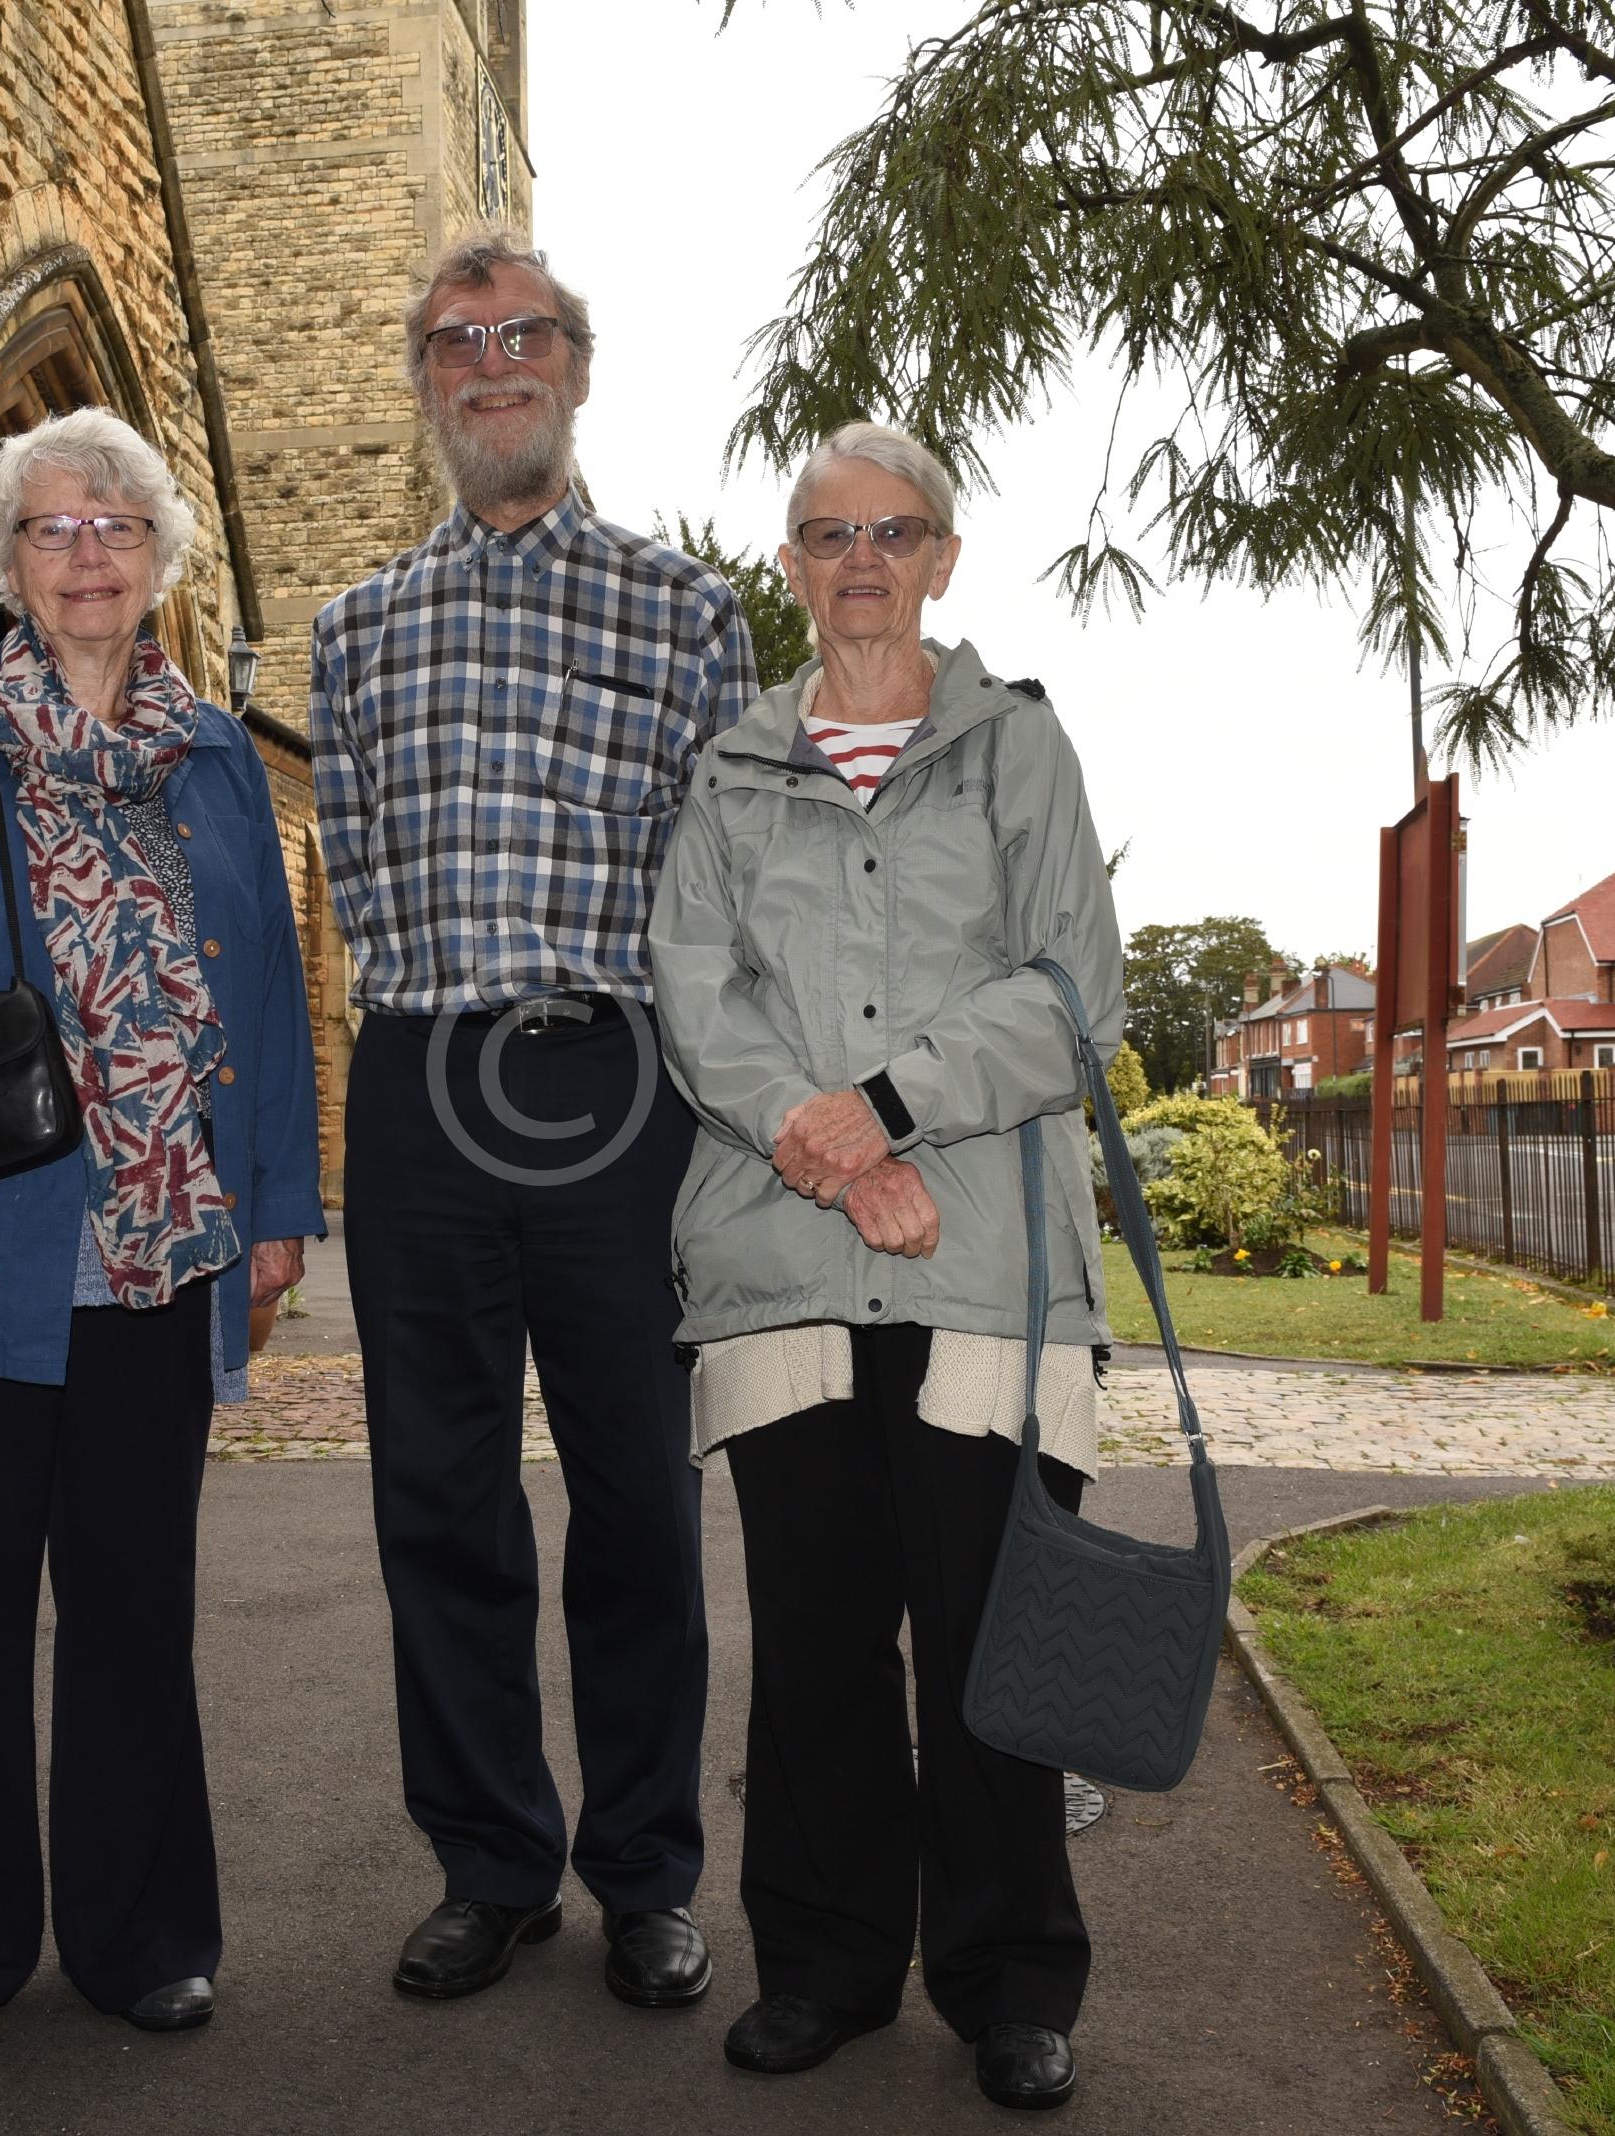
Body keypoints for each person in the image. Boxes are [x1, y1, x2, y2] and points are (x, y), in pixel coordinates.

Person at [0, 407, 323, 2058]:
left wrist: (281, 1202)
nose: (86, 554)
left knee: (134, 1605)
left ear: (160, 559)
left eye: (115, 527)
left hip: (164, 1252)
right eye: (50, 529)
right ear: (5, 566)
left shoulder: (217, 753)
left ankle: (141, 1931)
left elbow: (271, 991)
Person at [648, 420, 1126, 2113]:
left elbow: (1073, 991)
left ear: (941, 560)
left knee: (993, 1635)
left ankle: (1010, 1980)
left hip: (986, 1262)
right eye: (826, 531)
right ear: (790, 565)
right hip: (786, 1262)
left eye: (894, 530)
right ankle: (829, 1966)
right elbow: (700, 996)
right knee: (820, 1638)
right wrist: (830, 1152)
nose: (860, 559)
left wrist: (886, 1113)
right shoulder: (727, 773)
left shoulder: (1018, 754)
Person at [309, 230, 758, 2010]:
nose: (489, 362)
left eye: (522, 335)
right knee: (438, 1498)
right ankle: (491, 1862)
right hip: (418, 1081)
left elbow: (720, 895)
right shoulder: (355, 631)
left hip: (611, 1079)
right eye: (453, 340)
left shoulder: (686, 614)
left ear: (578, 364)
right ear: (425, 381)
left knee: (639, 1496)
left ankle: (646, 1873)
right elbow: (349, 869)